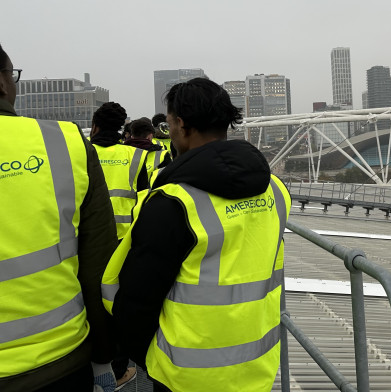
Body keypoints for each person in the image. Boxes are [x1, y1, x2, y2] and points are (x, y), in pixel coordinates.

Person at [103, 78, 291, 391]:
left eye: (171, 122)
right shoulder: (275, 189)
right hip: (257, 366)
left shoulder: (173, 202)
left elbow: (138, 298)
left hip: (186, 374)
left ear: (181, 124)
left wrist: (143, 355)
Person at [0, 43, 118, 392]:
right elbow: (98, 264)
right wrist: (104, 354)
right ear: (4, 83)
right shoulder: (64, 142)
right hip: (57, 359)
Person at [90, 103, 149, 240]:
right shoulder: (135, 155)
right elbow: (143, 198)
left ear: (94, 127)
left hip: (88, 234)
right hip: (126, 236)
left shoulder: (83, 150)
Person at [125, 117, 171, 184]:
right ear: (150, 137)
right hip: (153, 193)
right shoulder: (162, 155)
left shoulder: (122, 152)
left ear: (132, 136)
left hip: (125, 194)